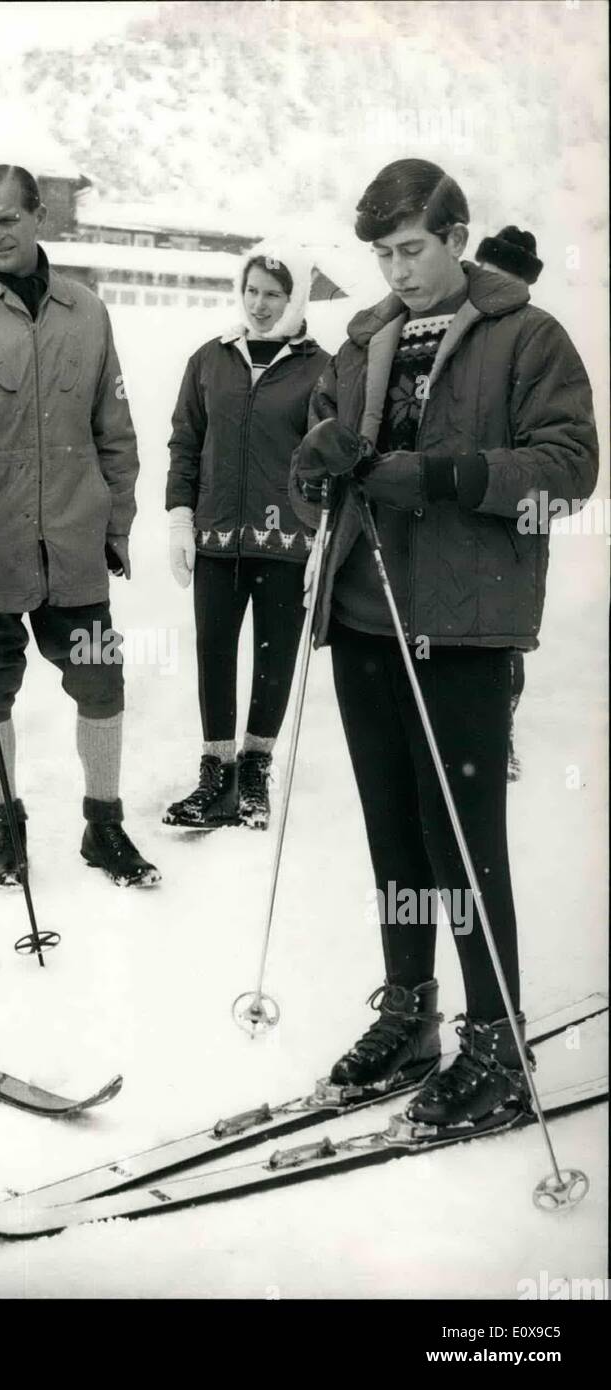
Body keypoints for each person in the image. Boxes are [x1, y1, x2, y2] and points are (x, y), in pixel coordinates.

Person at [290, 160, 597, 1132]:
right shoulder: (366, 338)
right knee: (394, 836)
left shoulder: (527, 336)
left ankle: (496, 1042)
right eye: (382, 253)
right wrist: (322, 459)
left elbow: (570, 469)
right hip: (362, 612)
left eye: (413, 248)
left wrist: (447, 475)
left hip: (463, 622)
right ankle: (410, 1013)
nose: (399, 270)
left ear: (457, 236)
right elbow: (321, 460)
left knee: (461, 844)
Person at [0, 164, 160, 890]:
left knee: (100, 681)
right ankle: (4, 828)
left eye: (7, 218)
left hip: (72, 538)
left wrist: (116, 520)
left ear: (40, 217)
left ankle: (103, 827)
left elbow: (115, 428)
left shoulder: (87, 311)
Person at [163, 241, 328, 830]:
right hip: (215, 541)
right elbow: (186, 442)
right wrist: (181, 516)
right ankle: (216, 773)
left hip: (288, 544)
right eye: (252, 291)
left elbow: (329, 462)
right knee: (214, 653)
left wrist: (325, 538)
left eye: (274, 294)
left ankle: (255, 769)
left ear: (296, 299)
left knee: (274, 656)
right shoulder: (210, 360)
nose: (260, 304)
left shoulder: (322, 368)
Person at [474, 226, 545, 784]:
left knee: (503, 636)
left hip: (512, 513)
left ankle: (502, 733)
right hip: (457, 505)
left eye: (510, 279)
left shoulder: (533, 343)